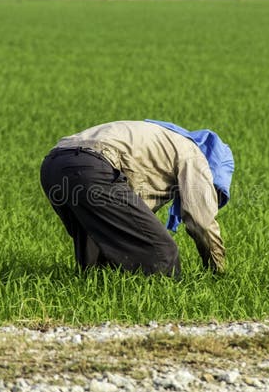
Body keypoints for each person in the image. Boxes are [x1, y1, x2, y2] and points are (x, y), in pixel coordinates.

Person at [40, 119, 234, 277]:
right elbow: (202, 222)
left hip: (53, 166)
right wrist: (218, 271)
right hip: (92, 167)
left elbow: (133, 204)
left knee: (99, 261)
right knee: (162, 252)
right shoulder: (195, 155)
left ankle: (96, 298)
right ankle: (164, 309)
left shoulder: (164, 139)